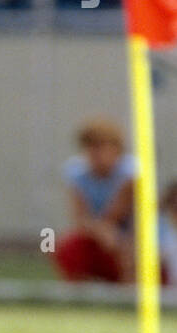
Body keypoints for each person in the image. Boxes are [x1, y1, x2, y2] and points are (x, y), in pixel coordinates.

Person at [54, 118, 135, 283]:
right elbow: (80, 217)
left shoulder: (131, 172)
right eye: (89, 147)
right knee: (68, 247)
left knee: (127, 249)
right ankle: (78, 294)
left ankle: (129, 293)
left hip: (129, 231)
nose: (94, 153)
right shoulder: (76, 173)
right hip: (99, 232)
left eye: (100, 147)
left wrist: (109, 233)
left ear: (116, 149)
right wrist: (101, 231)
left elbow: (117, 213)